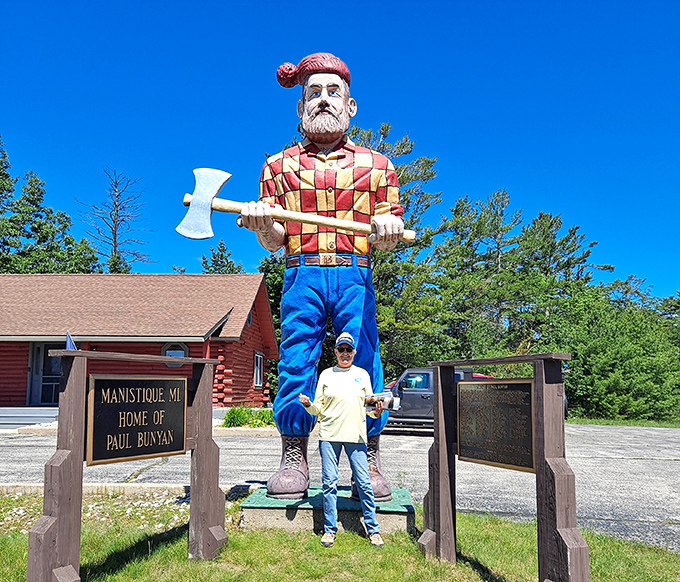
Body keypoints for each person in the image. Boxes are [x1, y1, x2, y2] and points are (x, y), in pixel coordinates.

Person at [240, 53, 404, 500]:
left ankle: (368, 456)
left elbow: (388, 235)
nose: (324, 100)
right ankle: (294, 455)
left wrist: (386, 229)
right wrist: (261, 223)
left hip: (355, 276)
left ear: (351, 107)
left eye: (334, 92)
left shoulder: (378, 167)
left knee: (364, 365)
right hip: (301, 276)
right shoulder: (278, 168)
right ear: (300, 108)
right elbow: (274, 239)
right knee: (296, 363)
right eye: (314, 93)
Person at [298, 332, 385, 547]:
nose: (345, 353)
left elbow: (369, 408)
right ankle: (329, 530)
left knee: (364, 484)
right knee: (329, 484)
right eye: (341, 350)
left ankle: (373, 530)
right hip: (329, 436)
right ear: (335, 352)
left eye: (348, 350)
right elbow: (318, 408)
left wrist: (378, 411)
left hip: (356, 436)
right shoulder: (326, 374)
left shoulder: (362, 374)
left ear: (354, 352)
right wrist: (308, 405)